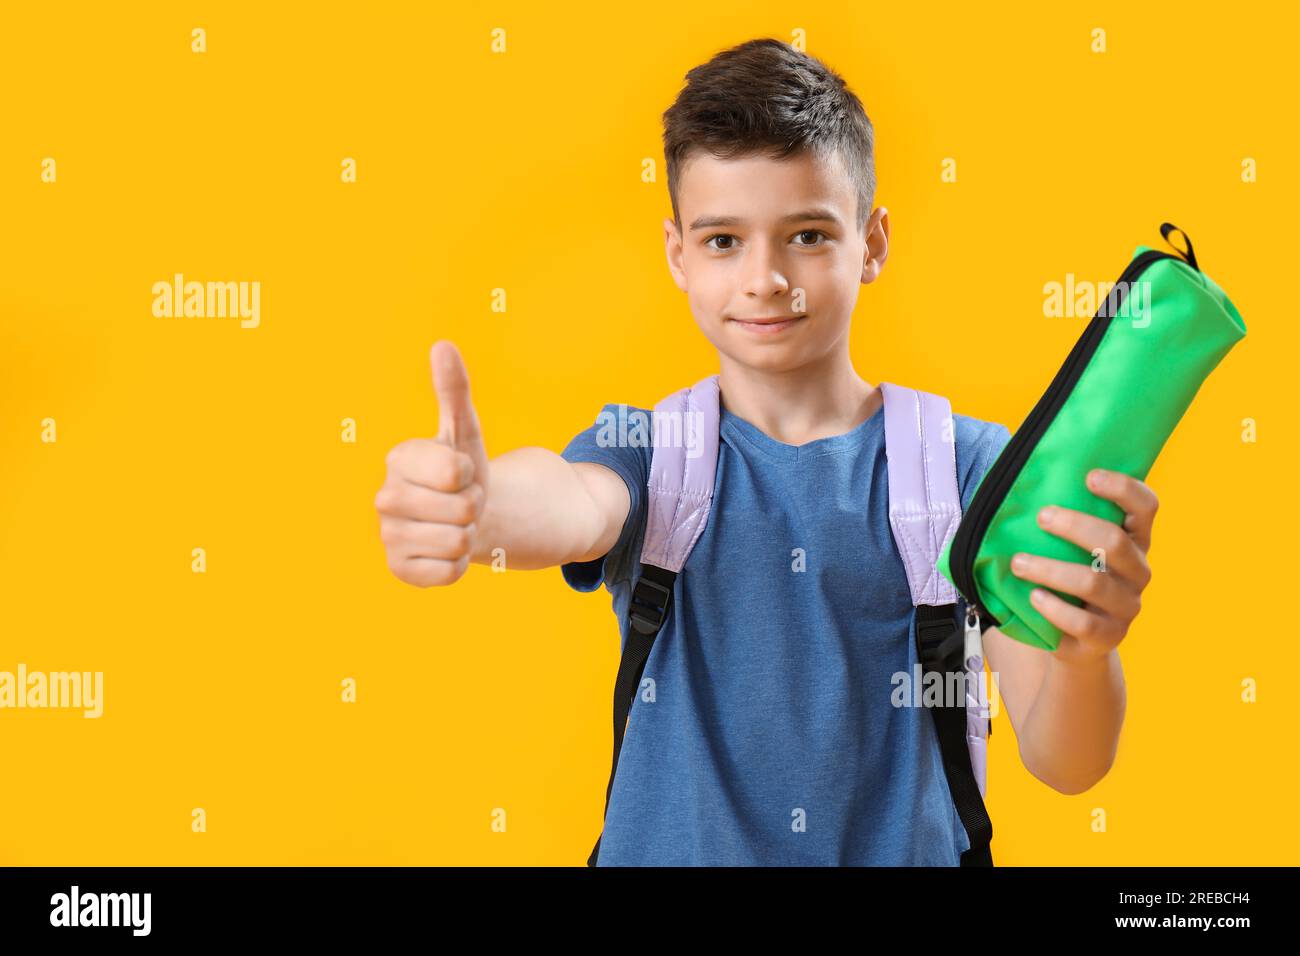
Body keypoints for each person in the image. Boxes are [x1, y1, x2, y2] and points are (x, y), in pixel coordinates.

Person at [374, 37, 1158, 866]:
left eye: (809, 236)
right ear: (678, 254)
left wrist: (1085, 651)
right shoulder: (649, 452)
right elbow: (568, 503)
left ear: (874, 242)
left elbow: (1068, 762)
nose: (765, 278)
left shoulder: (968, 470)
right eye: (723, 242)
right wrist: (480, 506)